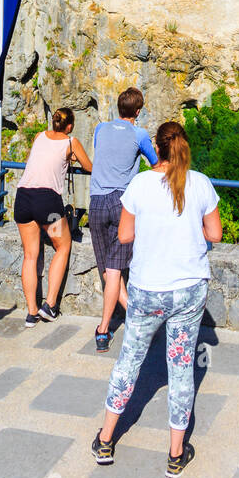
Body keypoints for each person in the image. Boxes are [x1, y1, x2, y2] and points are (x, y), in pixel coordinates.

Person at [91, 121, 222, 477]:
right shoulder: (201, 183)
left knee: (129, 360)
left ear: (157, 149)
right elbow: (215, 232)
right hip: (190, 286)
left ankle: (105, 439)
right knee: (181, 369)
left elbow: (125, 233)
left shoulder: (140, 184)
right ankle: (176, 453)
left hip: (148, 287)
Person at [89, 88, 158, 351]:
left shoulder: (100, 129)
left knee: (108, 270)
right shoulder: (139, 134)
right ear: (138, 112)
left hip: (96, 202)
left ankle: (104, 329)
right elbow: (155, 164)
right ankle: (122, 323)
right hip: (122, 204)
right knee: (114, 270)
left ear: (118, 108)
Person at [14, 108, 92, 326]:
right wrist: (72, 157)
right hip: (47, 202)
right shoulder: (71, 141)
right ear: (69, 126)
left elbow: (35, 160)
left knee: (30, 254)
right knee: (63, 246)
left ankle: (31, 313)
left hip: (23, 197)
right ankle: (49, 305)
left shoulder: (39, 136)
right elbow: (89, 167)